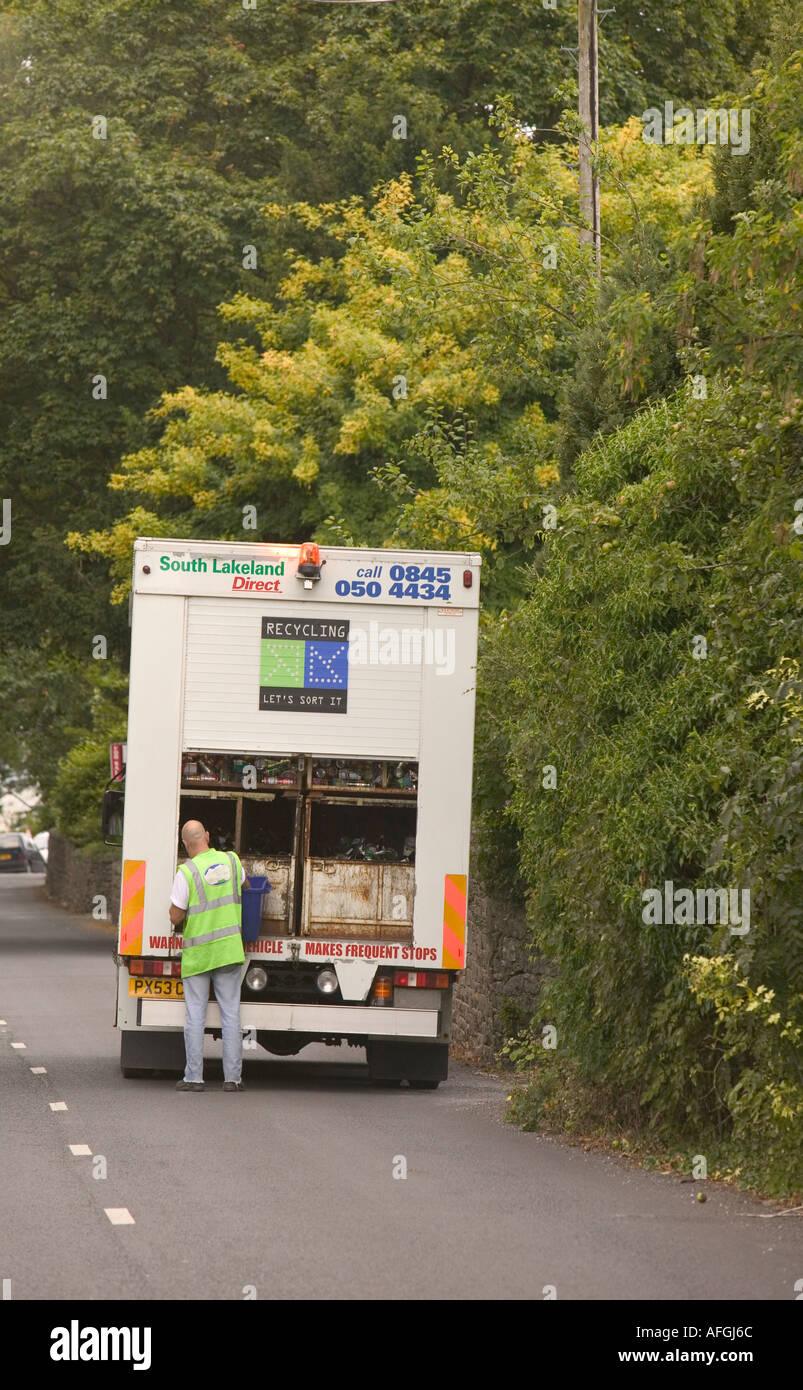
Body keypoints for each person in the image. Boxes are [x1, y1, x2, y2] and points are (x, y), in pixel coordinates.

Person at [168, 820, 250, 1093]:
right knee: (230, 1014)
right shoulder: (231, 860)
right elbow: (246, 885)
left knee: (195, 1016)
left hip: (200, 954)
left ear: (185, 844)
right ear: (208, 835)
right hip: (228, 950)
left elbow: (175, 915)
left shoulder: (187, 872)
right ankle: (232, 1079)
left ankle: (194, 1078)